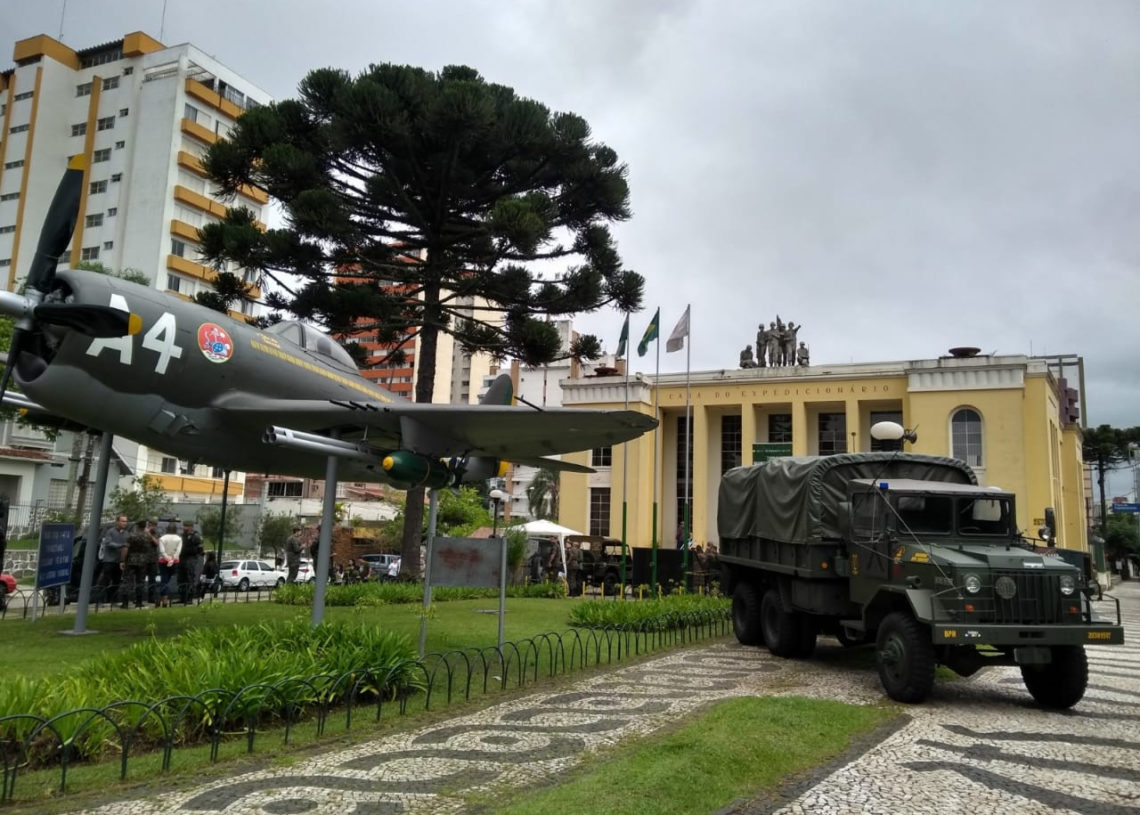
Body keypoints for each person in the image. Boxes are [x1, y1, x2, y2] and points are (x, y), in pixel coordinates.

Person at [96, 515, 129, 604]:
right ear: (117, 522)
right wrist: (121, 545)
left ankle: (112, 599)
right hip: (109, 560)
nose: (124, 523)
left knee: (117, 580)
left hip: (119, 561)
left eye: (125, 521)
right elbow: (108, 543)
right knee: (105, 580)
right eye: (122, 521)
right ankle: (100, 600)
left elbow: (128, 544)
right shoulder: (110, 531)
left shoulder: (126, 533)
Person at [120, 519, 152, 609]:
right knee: (140, 581)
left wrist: (122, 560)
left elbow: (125, 548)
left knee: (127, 581)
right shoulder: (147, 537)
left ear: (137, 526)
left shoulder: (131, 535)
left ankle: (125, 603)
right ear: (145, 526)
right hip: (143, 561)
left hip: (131, 560)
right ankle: (139, 602)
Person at [156, 522, 182, 607]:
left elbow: (162, 551)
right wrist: (172, 559)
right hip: (174, 561)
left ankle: (162, 598)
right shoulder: (178, 539)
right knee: (168, 580)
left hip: (163, 561)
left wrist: (167, 558)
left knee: (164, 579)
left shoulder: (162, 538)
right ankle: (164, 599)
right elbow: (178, 551)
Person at [178, 520, 204, 605]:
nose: (184, 528)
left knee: (190, 579)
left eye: (185, 526)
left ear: (190, 527)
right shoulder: (183, 536)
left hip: (191, 559)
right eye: (184, 526)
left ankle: (189, 598)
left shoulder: (196, 536)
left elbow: (200, 549)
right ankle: (182, 597)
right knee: (181, 579)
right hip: (182, 559)